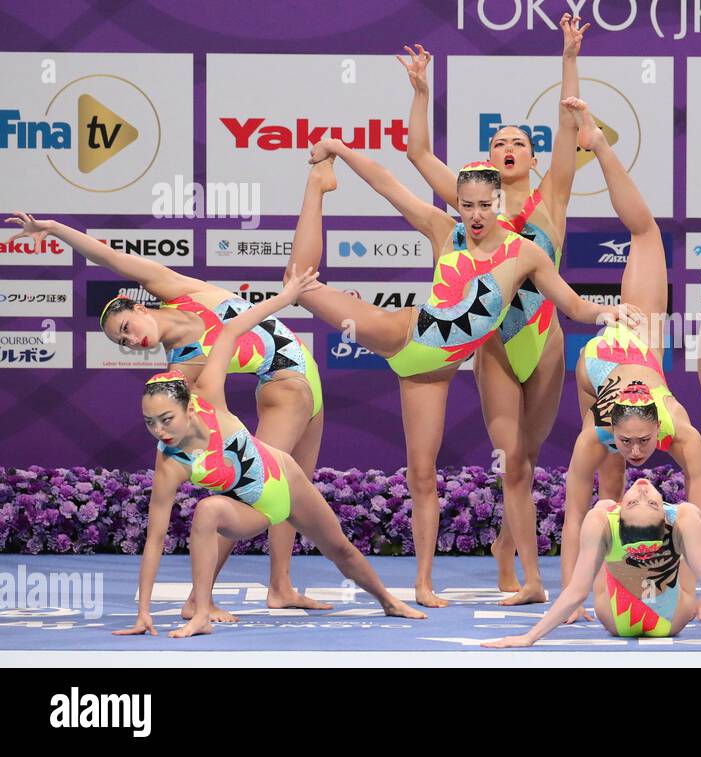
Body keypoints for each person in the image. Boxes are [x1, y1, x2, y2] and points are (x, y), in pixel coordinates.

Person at [286, 150, 638, 607]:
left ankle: (476, 582)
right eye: (466, 205)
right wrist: (339, 149)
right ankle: (317, 186)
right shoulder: (443, 231)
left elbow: (571, 305)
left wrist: (605, 310)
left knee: (429, 475)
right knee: (300, 284)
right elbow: (387, 184)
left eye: (483, 205)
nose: (474, 215)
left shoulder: (524, 254)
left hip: (431, 374)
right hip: (401, 335)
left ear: (498, 201)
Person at [4, 211, 331, 619]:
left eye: (125, 327)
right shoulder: (181, 371)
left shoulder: (177, 289)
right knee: (260, 486)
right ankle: (200, 597)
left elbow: (110, 257)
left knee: (294, 492)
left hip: (311, 373)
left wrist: (54, 230)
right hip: (283, 388)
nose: (130, 340)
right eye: (122, 341)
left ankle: (281, 585)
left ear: (140, 308)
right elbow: (193, 426)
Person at [397, 17, 598, 603]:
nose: (509, 149)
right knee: (513, 461)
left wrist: (568, 54)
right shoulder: (472, 200)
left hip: (547, 341)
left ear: (534, 159)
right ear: (487, 159)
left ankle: (507, 550)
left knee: (531, 459)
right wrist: (419, 90)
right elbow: (415, 151)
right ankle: (528, 578)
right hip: (495, 348)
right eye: (499, 142)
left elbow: (569, 117)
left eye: (519, 143)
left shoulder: (552, 196)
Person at [110, 268, 425, 638]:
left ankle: (388, 601)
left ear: (189, 407)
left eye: (165, 419)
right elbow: (155, 539)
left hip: (284, 479)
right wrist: (143, 612)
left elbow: (232, 329)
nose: (160, 431)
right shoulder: (169, 461)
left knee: (341, 550)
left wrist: (288, 294)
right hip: (251, 510)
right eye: (151, 423)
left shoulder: (209, 393)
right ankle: (199, 609)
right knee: (209, 510)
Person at [556, 98, 701, 623]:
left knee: (648, 235)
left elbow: (697, 514)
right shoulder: (596, 431)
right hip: (599, 362)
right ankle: (600, 582)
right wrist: (569, 599)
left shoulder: (681, 430)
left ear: (657, 425)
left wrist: (700, 594)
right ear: (612, 429)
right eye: (626, 443)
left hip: (642, 353)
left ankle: (599, 144)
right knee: (603, 492)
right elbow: (574, 510)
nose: (638, 451)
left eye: (643, 442)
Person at [483, 478, 701, 647]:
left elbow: (577, 592)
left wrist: (529, 638)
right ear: (665, 513)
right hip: (671, 624)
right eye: (642, 501)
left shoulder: (604, 518)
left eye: (643, 501)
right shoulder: (680, 516)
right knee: (693, 519)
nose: (643, 491)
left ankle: (624, 555)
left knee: (601, 511)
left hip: (617, 622)